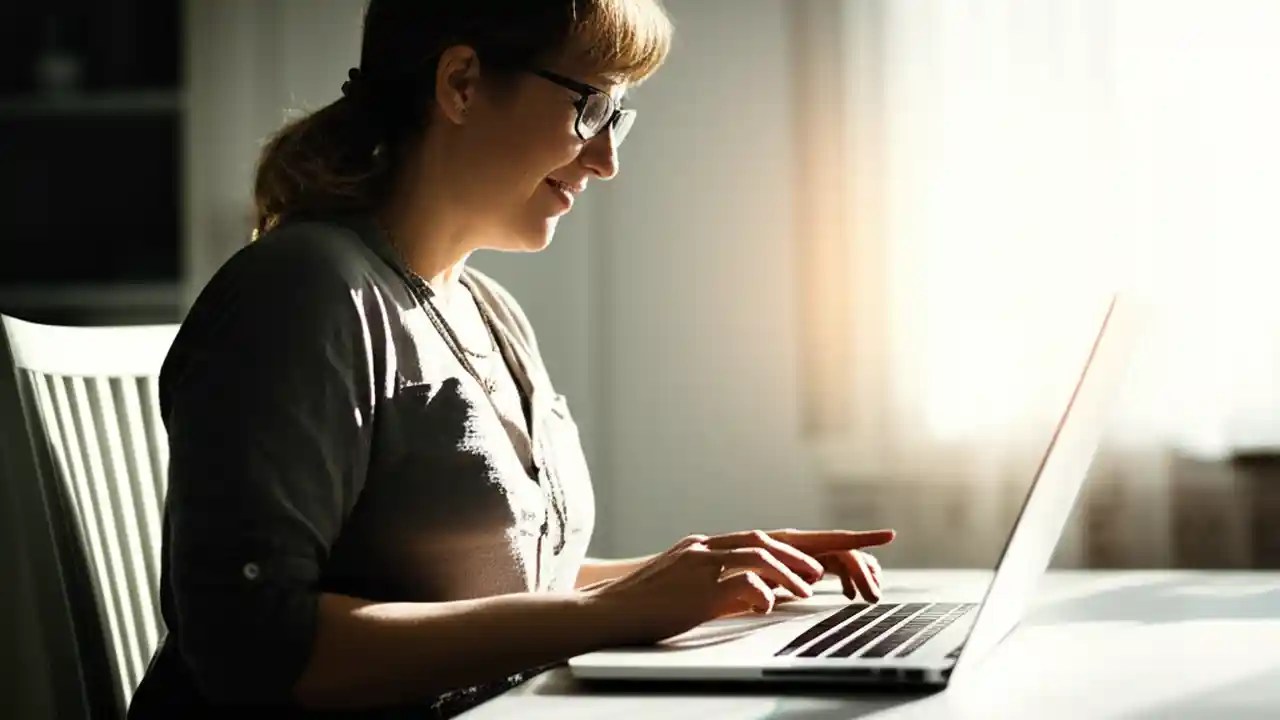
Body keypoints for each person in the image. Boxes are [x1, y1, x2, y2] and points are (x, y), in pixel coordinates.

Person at [127, 1, 895, 717]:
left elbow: (510, 586)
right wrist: (610, 612)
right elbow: (251, 648)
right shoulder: (303, 292)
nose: (606, 160)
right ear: (461, 83)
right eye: (589, 106)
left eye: (617, 118)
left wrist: (706, 575)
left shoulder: (489, 309)